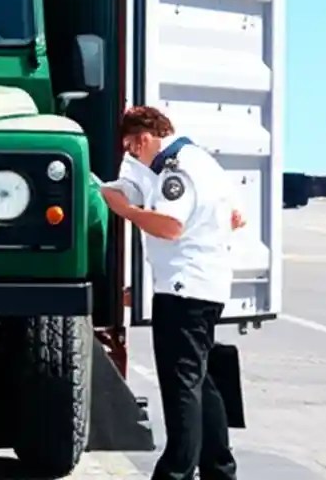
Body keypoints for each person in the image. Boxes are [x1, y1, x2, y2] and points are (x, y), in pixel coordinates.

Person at [99, 106, 246, 480]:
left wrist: (127, 210)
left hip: (182, 293)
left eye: (132, 149)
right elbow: (236, 217)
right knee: (203, 384)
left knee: (181, 388)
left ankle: (176, 472)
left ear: (143, 138)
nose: (133, 156)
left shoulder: (174, 172)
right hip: (206, 289)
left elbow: (170, 226)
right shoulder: (204, 162)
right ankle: (219, 468)